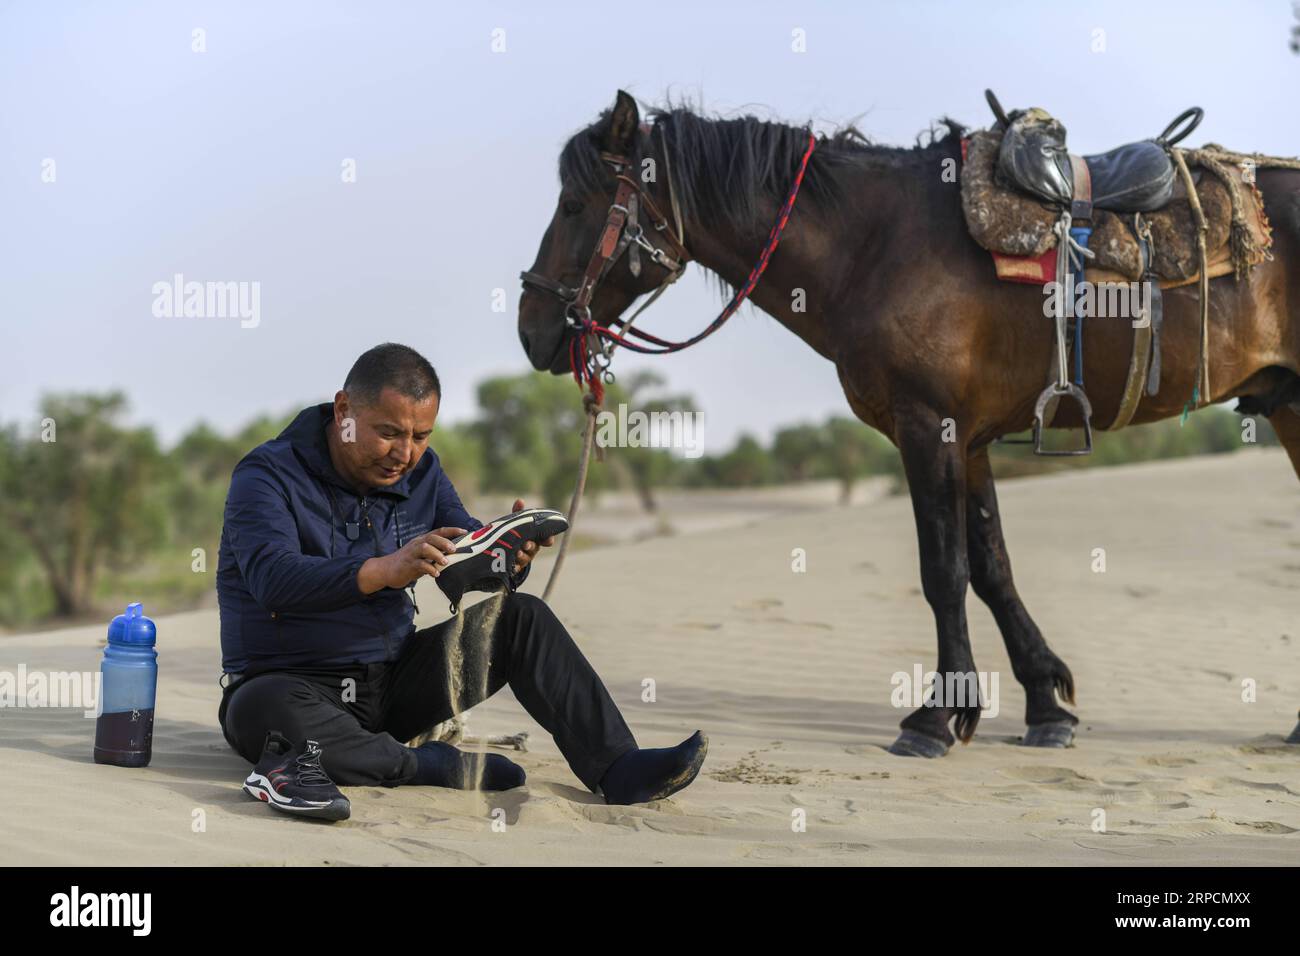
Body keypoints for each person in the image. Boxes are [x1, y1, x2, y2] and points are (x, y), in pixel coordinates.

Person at [216, 343, 707, 805]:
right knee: (261, 709)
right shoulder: (266, 475)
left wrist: (507, 555)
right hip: (292, 686)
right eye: (388, 432)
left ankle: (618, 766)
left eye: (421, 435)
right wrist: (384, 570)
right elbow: (272, 579)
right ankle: (427, 765)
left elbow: (462, 556)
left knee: (522, 619)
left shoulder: (422, 472)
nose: (404, 453)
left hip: (393, 684)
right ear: (344, 410)